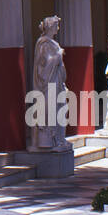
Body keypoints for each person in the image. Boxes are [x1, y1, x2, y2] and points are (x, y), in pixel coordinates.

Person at [31, 15, 68, 150]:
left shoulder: (53, 43)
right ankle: (49, 141)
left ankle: (59, 138)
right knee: (50, 110)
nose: (58, 28)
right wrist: (58, 55)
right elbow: (45, 65)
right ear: (51, 26)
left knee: (61, 108)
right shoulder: (44, 43)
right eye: (56, 25)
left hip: (57, 82)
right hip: (48, 83)